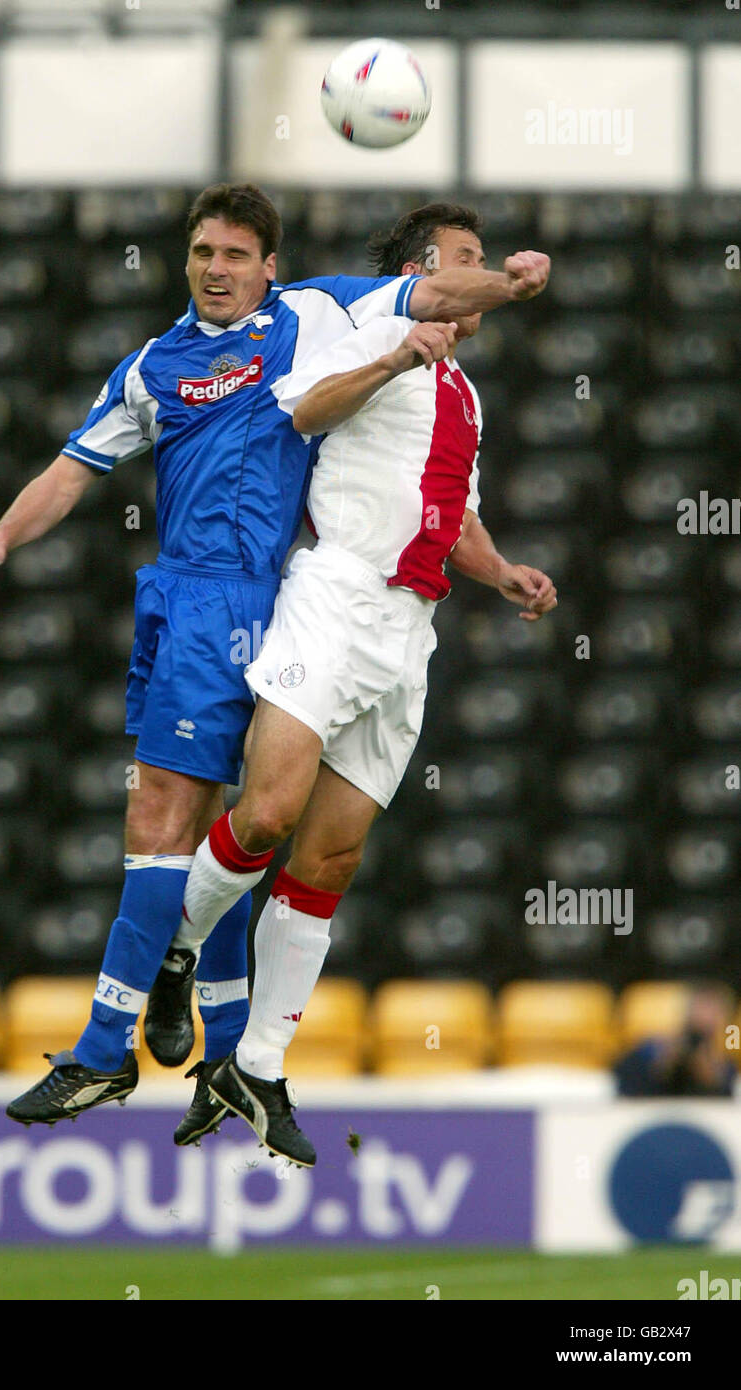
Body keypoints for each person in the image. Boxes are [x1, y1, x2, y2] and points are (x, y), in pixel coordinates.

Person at [0, 183, 551, 1127]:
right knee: (228, 825)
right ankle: (221, 1051)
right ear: (187, 261)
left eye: (237, 254)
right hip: (184, 596)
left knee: (175, 817)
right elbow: (74, 468)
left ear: (270, 266)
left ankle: (109, 1046)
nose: (218, 269)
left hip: (255, 595)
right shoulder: (152, 366)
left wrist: (508, 288)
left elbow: (429, 298)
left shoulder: (312, 315)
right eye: (204, 253)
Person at [166, 204, 558, 1164]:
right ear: (428, 269)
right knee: (266, 814)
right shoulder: (367, 329)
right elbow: (301, 410)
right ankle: (172, 950)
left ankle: (255, 1065)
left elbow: (453, 517)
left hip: (407, 632)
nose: (475, 281)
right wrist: (398, 354)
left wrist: (501, 570)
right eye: (464, 263)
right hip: (335, 595)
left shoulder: (466, 395)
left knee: (330, 861)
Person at [614, 986, 737, 1098]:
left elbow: (725, 1101)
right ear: (686, 1015)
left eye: (714, 1013)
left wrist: (710, 1076)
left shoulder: (725, 1064)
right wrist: (662, 1064)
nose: (705, 1018)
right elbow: (624, 1082)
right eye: (701, 1010)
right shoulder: (650, 1049)